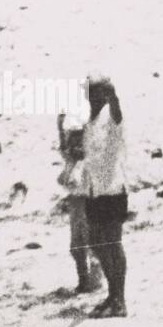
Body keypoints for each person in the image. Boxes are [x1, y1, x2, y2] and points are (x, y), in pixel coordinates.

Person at [81, 77, 129, 318]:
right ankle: (112, 295)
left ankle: (119, 299)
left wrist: (114, 98)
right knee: (95, 243)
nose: (90, 95)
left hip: (112, 190)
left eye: (95, 91)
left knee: (112, 242)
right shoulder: (88, 122)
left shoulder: (111, 117)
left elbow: (118, 116)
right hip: (93, 190)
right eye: (88, 91)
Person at [56, 111, 102, 294]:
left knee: (92, 244)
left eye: (78, 143)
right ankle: (84, 281)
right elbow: (63, 147)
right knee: (76, 247)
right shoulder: (71, 159)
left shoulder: (90, 160)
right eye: (72, 143)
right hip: (76, 203)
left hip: (90, 202)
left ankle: (95, 281)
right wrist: (59, 126)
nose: (75, 146)